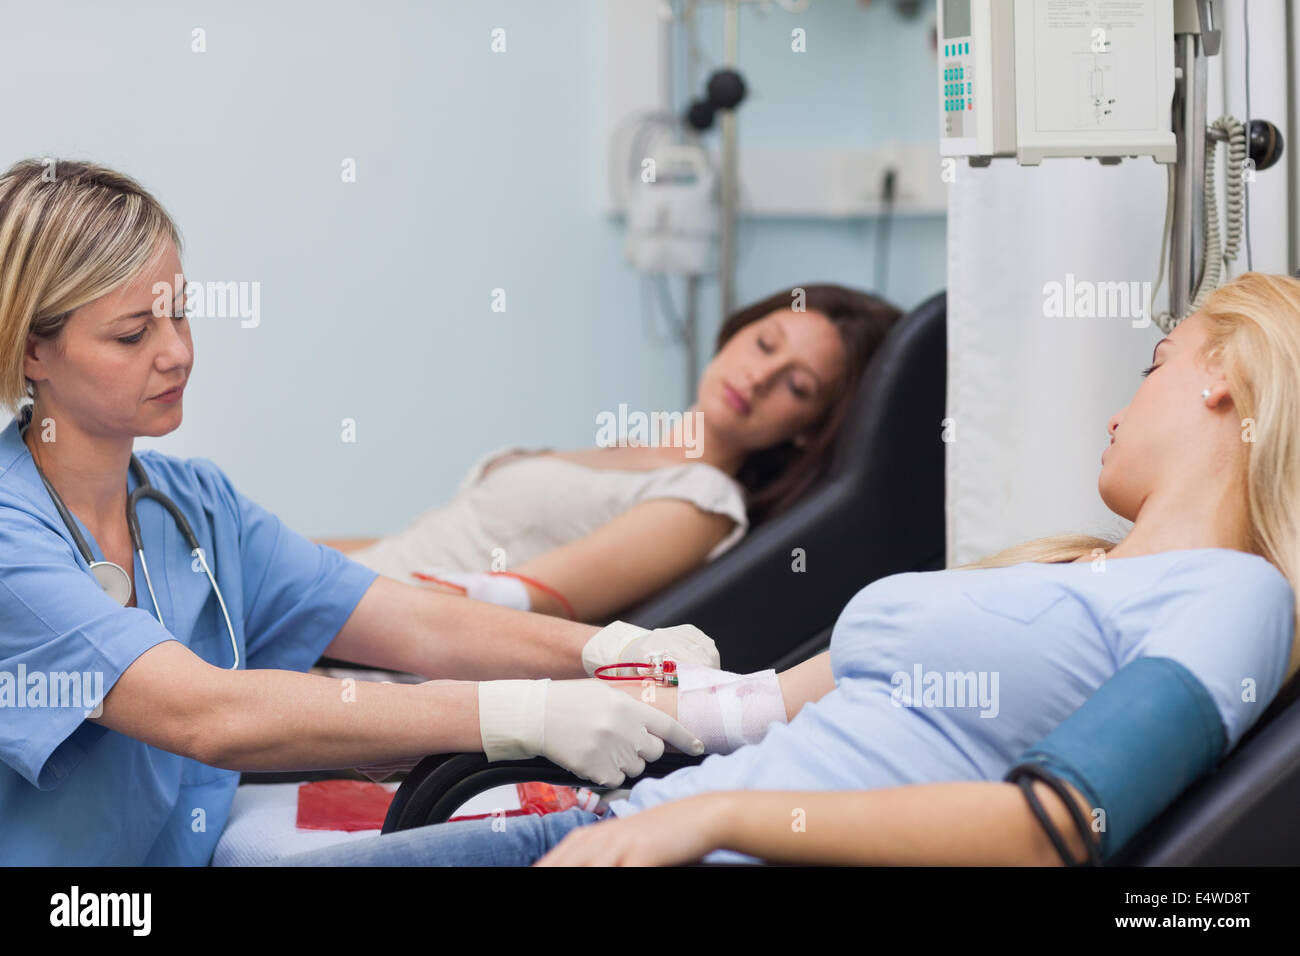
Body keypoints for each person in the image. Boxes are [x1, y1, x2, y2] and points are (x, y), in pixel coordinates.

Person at [270, 271, 1300, 867]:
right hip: (619, 830)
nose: (1120, 407)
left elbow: (1060, 823)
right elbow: (740, 708)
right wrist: (562, 697)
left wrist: (711, 815)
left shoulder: (1235, 594)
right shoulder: (1070, 570)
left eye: (1155, 362)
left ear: (1221, 376)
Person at [0, 158, 718, 866]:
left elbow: (404, 621)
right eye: (133, 335)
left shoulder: (192, 504)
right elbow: (209, 715)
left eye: (179, 315)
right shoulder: (10, 536)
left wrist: (602, 649)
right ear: (34, 350)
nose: (178, 353)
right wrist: (519, 714)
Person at [322, 284, 902, 622]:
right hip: (353, 597)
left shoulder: (700, 501)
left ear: (809, 431)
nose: (758, 377)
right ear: (736, 332)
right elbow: (409, 546)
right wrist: (278, 552)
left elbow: (505, 606)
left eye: (796, 387)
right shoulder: (634, 452)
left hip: (371, 641)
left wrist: (302, 596)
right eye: (764, 344)